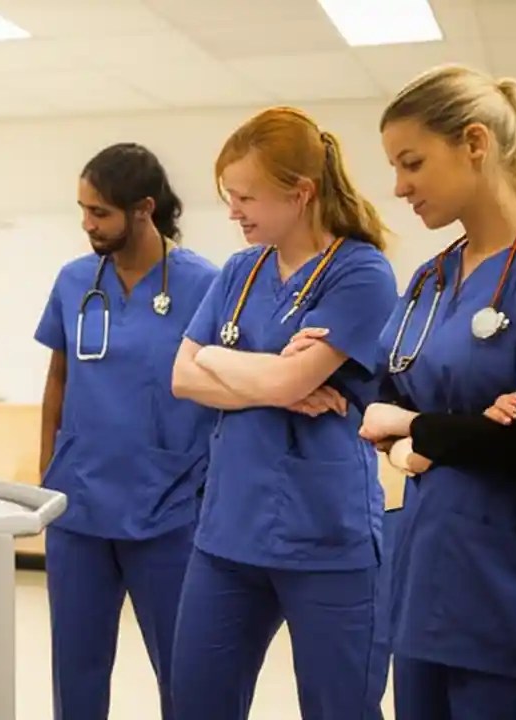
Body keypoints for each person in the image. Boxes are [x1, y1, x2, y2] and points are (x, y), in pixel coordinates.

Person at [169, 106, 398, 719]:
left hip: (326, 537)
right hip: (228, 531)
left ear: (301, 193)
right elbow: (182, 377)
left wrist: (223, 358)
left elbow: (278, 377)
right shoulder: (242, 270)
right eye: (230, 196)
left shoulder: (362, 272)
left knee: (339, 709)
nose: (233, 211)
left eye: (246, 197)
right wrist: (265, 378)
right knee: (194, 703)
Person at [360, 64, 516, 718]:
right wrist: (429, 434)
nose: (398, 187)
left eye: (412, 163)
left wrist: (418, 429)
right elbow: (371, 408)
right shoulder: (430, 277)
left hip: (513, 596)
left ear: (474, 143)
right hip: (424, 586)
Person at [35, 143, 217, 720]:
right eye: (83, 211)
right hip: (79, 505)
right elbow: (58, 383)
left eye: (100, 213)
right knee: (76, 668)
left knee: (183, 671)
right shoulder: (74, 281)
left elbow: (224, 388)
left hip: (168, 507)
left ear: (144, 208)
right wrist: (47, 481)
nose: (87, 224)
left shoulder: (204, 284)